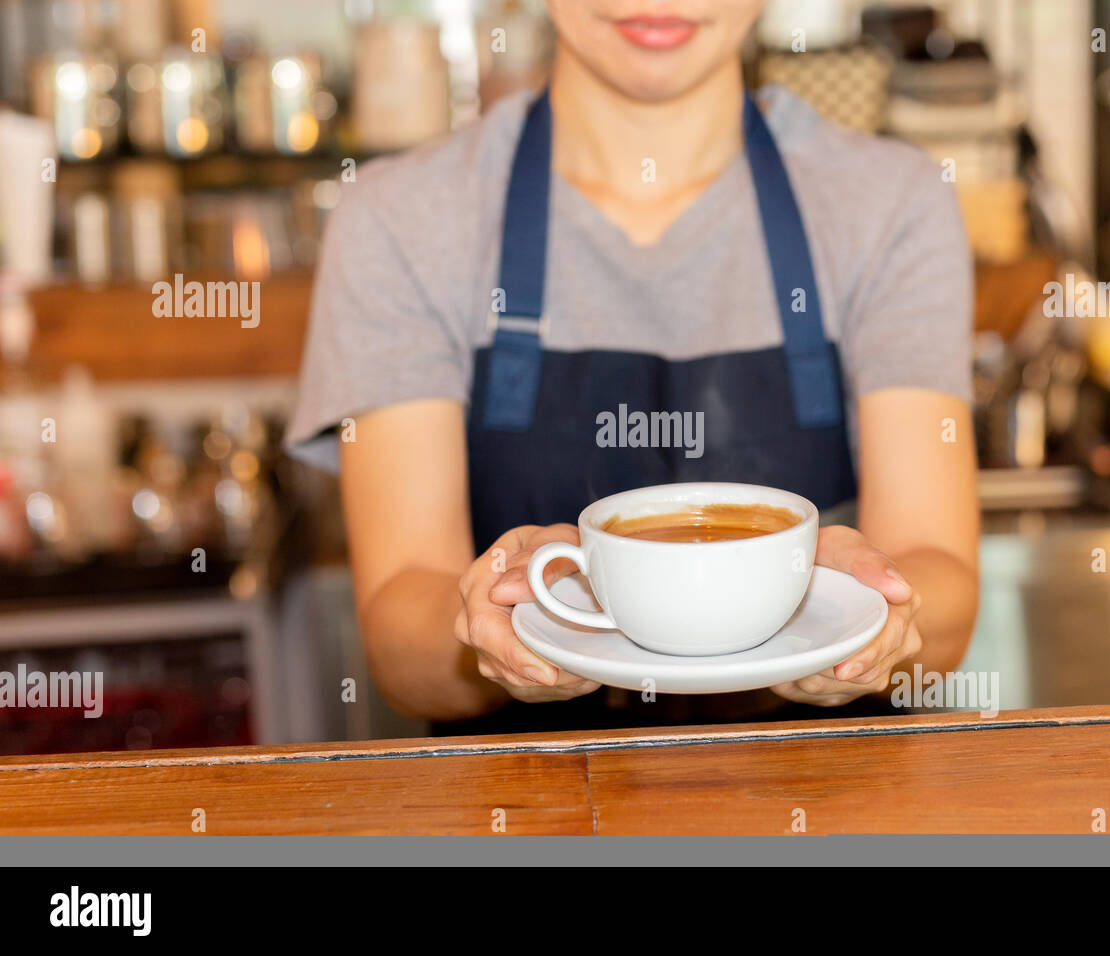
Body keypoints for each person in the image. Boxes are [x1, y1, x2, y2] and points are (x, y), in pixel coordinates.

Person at [286, 1, 979, 733]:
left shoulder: (892, 204)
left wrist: (868, 616)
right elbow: (402, 645)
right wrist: (500, 620)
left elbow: (943, 593)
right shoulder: (402, 218)